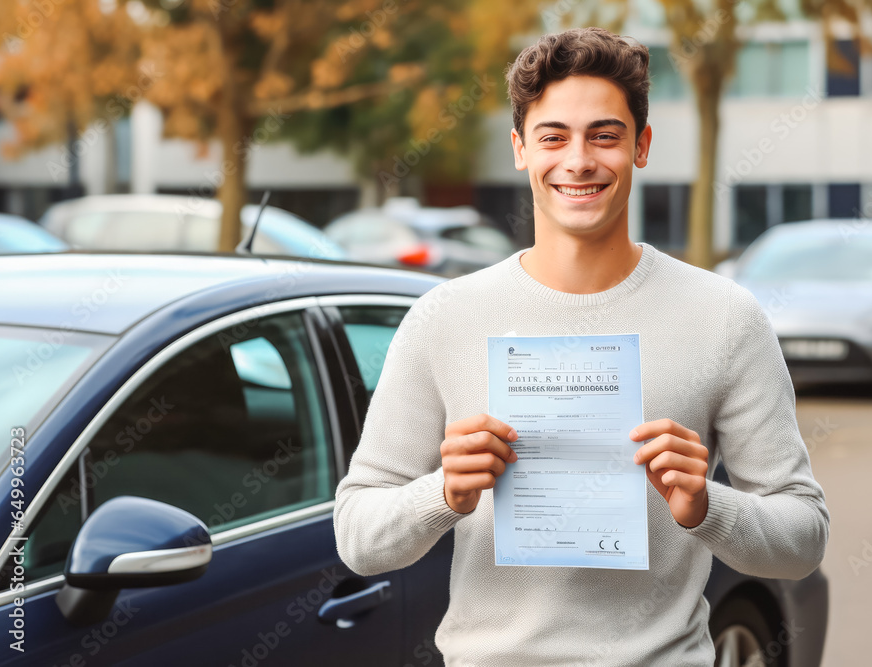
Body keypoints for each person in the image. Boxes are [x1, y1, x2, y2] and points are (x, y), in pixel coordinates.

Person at [335, 26, 829, 666]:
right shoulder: (443, 319)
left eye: (605, 135)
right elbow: (357, 536)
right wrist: (444, 495)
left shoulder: (724, 317)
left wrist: (706, 505)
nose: (579, 160)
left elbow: (803, 538)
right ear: (519, 149)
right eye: (553, 138)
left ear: (641, 145)